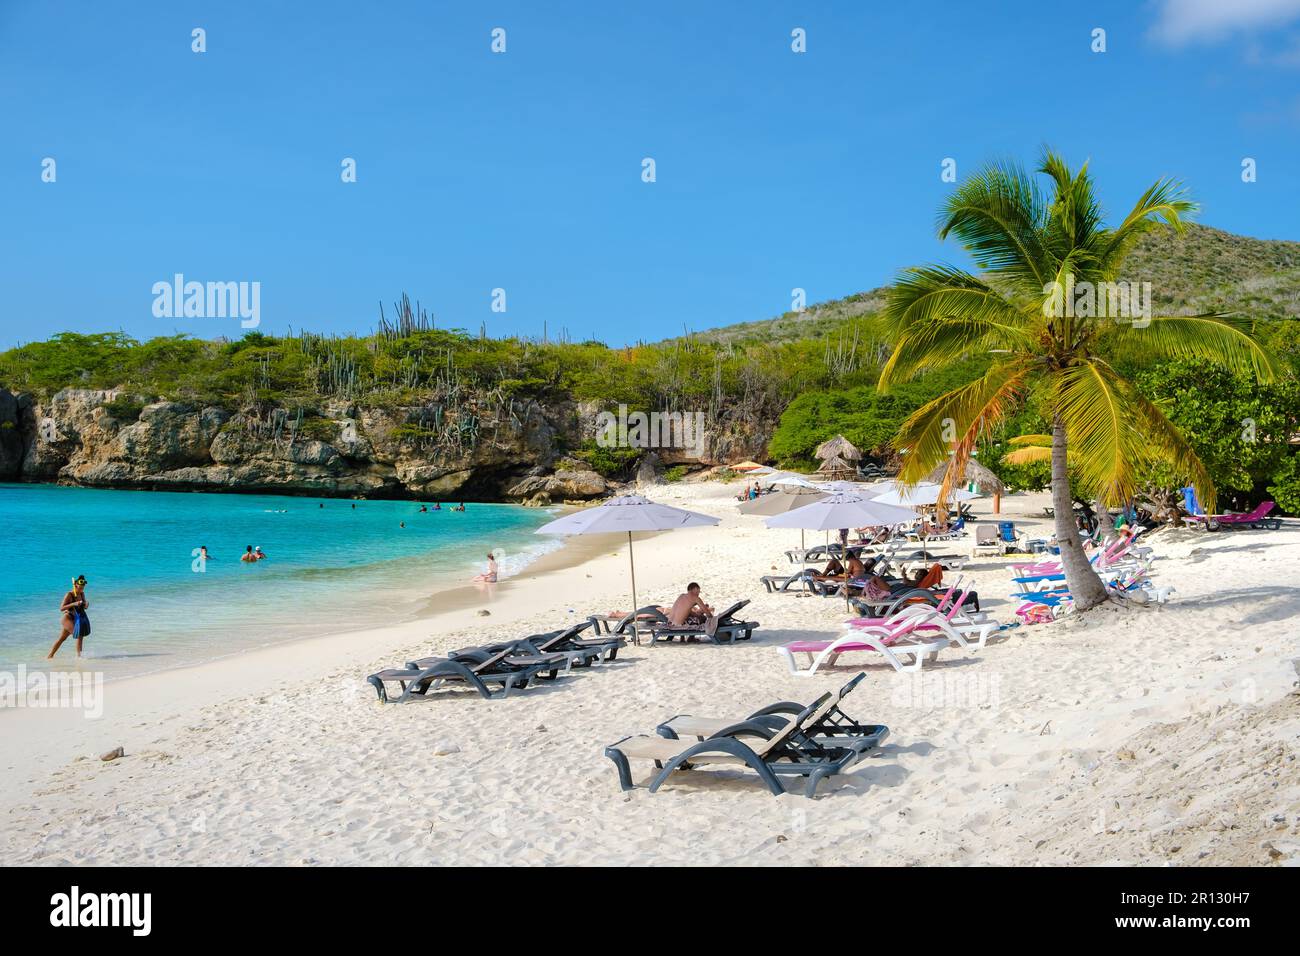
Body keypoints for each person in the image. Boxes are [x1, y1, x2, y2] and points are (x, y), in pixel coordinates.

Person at [48, 576, 90, 659]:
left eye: (83, 587)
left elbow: (84, 606)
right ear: (75, 586)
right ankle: (79, 657)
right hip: (67, 618)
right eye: (81, 587)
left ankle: (50, 656)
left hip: (76, 619)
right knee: (79, 635)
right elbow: (61, 608)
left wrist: (86, 604)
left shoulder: (82, 593)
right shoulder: (69, 594)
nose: (82, 589)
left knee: (62, 638)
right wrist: (74, 604)